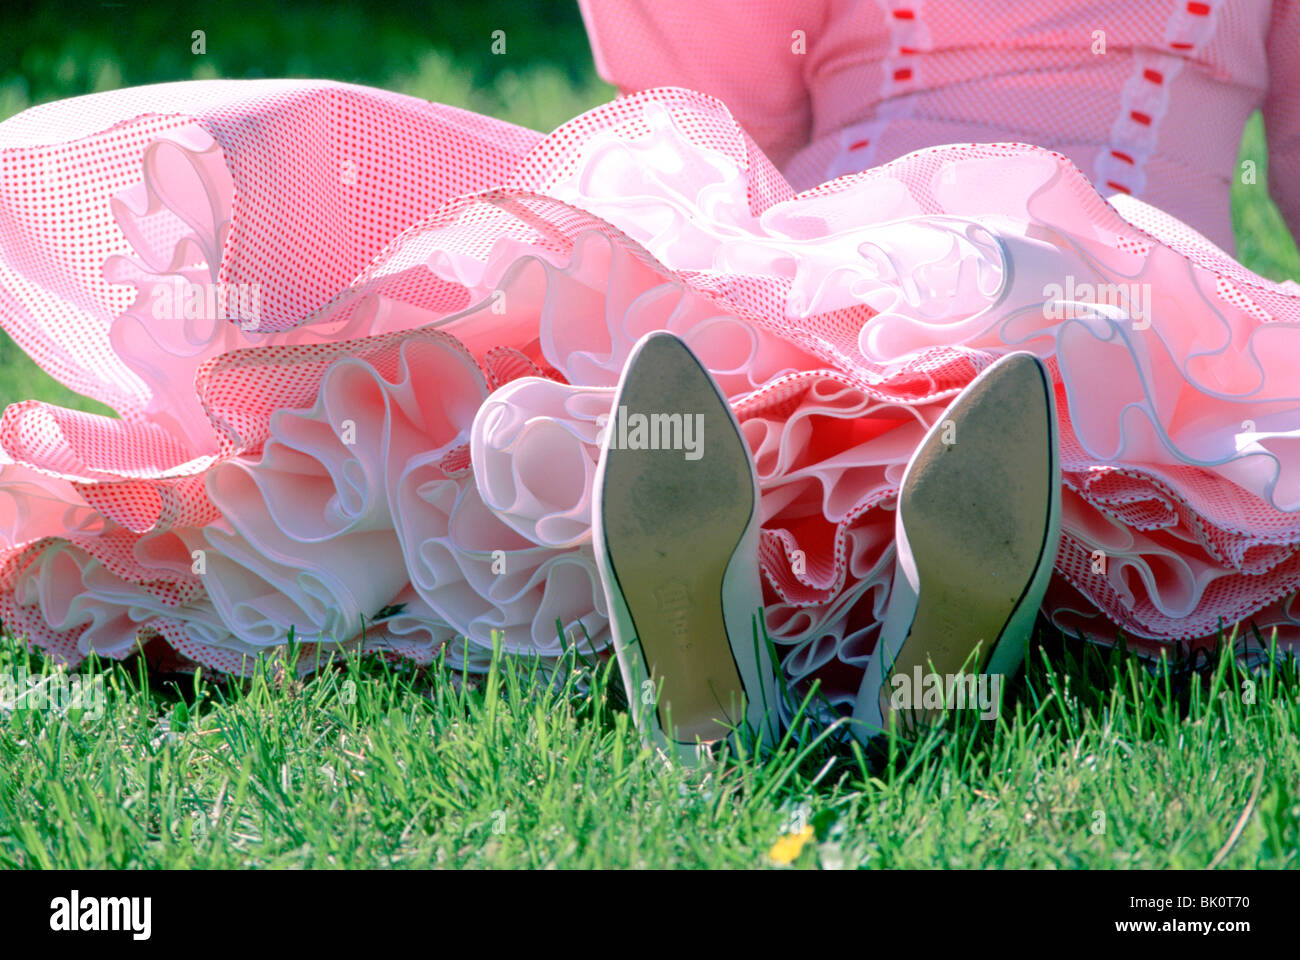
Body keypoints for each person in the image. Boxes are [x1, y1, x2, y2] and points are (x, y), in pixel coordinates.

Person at [1, 1, 1299, 760]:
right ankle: (928, 644)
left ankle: (736, 643)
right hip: (1138, 276)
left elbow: (706, 89)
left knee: (784, 385)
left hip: (844, 237)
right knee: (1038, 346)